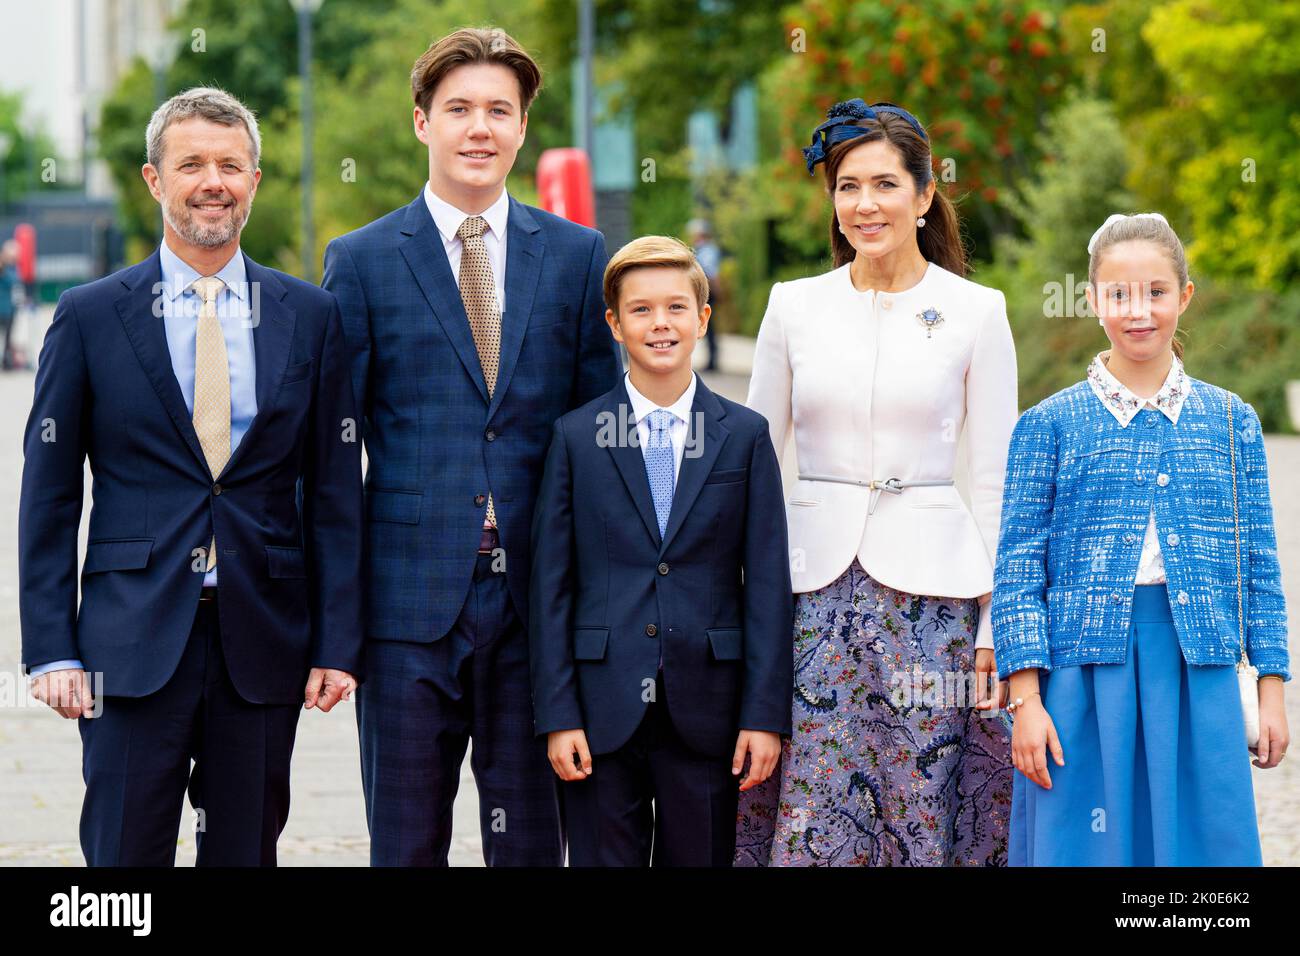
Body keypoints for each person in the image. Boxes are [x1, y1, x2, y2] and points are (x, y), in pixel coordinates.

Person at [18, 87, 363, 866]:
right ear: (153, 179)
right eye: (193, 164)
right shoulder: (90, 314)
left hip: (264, 641)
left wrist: (337, 643)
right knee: (121, 860)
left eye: (231, 165)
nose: (214, 181)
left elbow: (337, 494)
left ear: (254, 181)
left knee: (244, 852)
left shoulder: (310, 316)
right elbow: (47, 494)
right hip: (128, 643)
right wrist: (51, 649)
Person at [323, 27, 622, 867]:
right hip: (405, 611)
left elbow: (599, 445)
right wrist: (333, 629)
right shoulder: (363, 261)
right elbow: (331, 458)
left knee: (531, 844)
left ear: (524, 127)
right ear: (422, 122)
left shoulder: (574, 257)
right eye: (458, 109)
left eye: (500, 109)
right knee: (406, 842)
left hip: (535, 609)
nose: (479, 128)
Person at [737, 99, 1017, 866]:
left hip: (935, 608)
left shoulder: (976, 312)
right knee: (812, 808)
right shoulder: (793, 306)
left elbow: (997, 481)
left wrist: (998, 624)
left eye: (886, 184)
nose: (865, 204)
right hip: (808, 599)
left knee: (920, 803)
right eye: (847, 185)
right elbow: (749, 467)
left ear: (925, 196)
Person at [993, 212, 1290, 866]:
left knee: (1199, 858)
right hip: (1082, 682)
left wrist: (1271, 689)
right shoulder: (1048, 425)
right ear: (1093, 301)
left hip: (1200, 677)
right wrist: (1027, 701)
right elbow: (1016, 571)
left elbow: (1259, 566)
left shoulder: (1232, 421)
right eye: (1119, 294)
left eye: (1156, 292)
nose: (1139, 311)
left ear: (1183, 298)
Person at [530, 235, 792, 866]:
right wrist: (558, 715)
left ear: (703, 318)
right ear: (614, 324)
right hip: (600, 708)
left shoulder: (745, 436)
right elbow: (550, 587)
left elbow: (766, 585)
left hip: (709, 708)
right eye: (641, 310)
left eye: (676, 307)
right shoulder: (575, 436)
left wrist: (764, 715)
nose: (661, 324)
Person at [687, 219, 721, 371]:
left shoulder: (707, 250)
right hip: (705, 290)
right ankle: (711, 360)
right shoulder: (701, 249)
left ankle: (713, 361)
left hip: (708, 291)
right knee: (708, 326)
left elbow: (711, 273)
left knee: (709, 326)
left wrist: (717, 291)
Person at [0, 239, 18, 369]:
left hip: (10, 308)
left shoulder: (12, 268)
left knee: (8, 338)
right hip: (4, 308)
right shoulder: (4, 268)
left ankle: (7, 361)